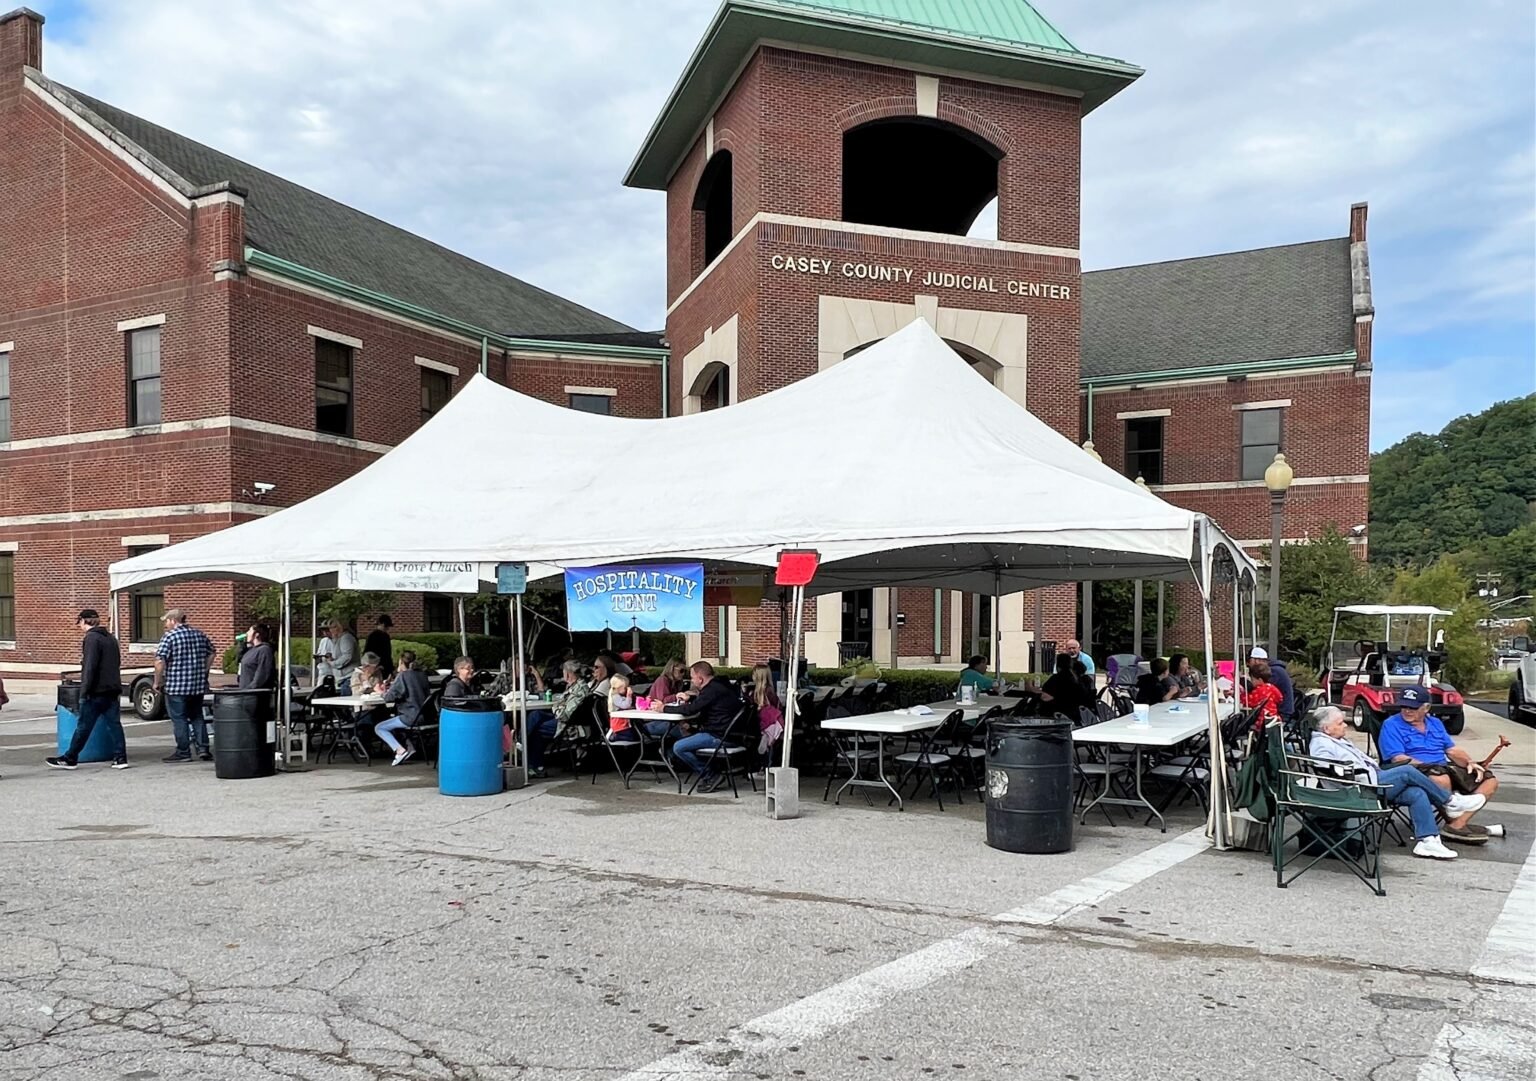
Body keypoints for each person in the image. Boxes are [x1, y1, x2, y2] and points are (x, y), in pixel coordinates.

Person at [1309, 706, 1481, 861]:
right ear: (1327, 729)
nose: (1345, 725)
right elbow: (1329, 770)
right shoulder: (1320, 744)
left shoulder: (1336, 739)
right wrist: (1356, 772)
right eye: (1340, 723)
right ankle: (1450, 802)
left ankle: (1428, 841)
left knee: (1416, 793)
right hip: (1358, 788)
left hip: (1373, 779)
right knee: (1407, 771)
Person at [1378, 685, 1499, 845]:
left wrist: (1470, 762)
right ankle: (1454, 815)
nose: (1407, 710)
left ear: (1426, 707)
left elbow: (1451, 750)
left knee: (1488, 780)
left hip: (1444, 767)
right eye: (1404, 706)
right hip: (1416, 768)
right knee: (1442, 779)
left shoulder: (1435, 723)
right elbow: (1397, 758)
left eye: (1413, 707)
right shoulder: (1391, 724)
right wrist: (1427, 767)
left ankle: (1457, 824)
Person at [46, 610, 129, 771]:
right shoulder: (111, 638)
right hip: (112, 688)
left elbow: (90, 667)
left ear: (84, 621)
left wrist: (84, 691)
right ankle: (120, 757)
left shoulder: (91, 638)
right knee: (114, 725)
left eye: (80, 623)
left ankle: (70, 758)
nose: (80, 626)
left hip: (95, 690)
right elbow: (117, 662)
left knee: (83, 726)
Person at [154, 608, 215, 763]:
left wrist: (157, 681)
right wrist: (205, 670)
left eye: (167, 621)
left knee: (179, 719)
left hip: (176, 686)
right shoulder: (199, 634)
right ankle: (203, 749)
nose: (166, 625)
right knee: (197, 716)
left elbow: (160, 660)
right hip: (197, 685)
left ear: (173, 620)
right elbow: (212, 652)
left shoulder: (170, 637)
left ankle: (183, 751)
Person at [670, 661, 740, 792]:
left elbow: (691, 710)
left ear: (700, 679)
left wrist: (664, 708)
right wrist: (690, 700)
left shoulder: (710, 691)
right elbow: (702, 706)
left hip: (720, 737)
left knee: (678, 747)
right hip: (734, 735)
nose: (691, 680)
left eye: (692, 677)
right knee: (688, 735)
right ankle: (711, 771)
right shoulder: (721, 686)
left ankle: (711, 774)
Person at [377, 651, 430, 765]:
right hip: (426, 715)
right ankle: (410, 748)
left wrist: (381, 691)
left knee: (380, 727)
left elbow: (389, 698)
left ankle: (399, 750)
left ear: (401, 662)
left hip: (410, 716)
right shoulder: (422, 674)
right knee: (395, 723)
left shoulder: (403, 676)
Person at [749, 663, 785, 778]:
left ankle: (763, 768)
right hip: (769, 724)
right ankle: (765, 768)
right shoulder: (770, 691)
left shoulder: (758, 693)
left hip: (765, 724)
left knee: (764, 746)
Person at [1249, 646, 1294, 720]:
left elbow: (1261, 692)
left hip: (1281, 712)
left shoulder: (1274, 672)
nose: (1248, 664)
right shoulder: (1276, 669)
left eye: (1249, 661)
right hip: (1280, 709)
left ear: (1256, 661)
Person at [1040, 653, 1089, 719]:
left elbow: (1045, 697)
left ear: (1058, 665)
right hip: (1078, 713)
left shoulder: (1057, 678)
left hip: (1059, 714)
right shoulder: (1078, 679)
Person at [1241, 659, 1283, 728]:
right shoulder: (1272, 687)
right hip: (1273, 717)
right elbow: (1280, 698)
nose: (1251, 681)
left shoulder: (1259, 690)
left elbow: (1248, 701)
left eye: (1253, 679)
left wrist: (1242, 694)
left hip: (1262, 720)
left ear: (1260, 680)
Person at [237, 624, 277, 690]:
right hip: (244, 692)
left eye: (249, 631)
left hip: (254, 694)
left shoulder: (264, 650)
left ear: (256, 634)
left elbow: (262, 674)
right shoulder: (251, 650)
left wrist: (251, 688)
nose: (247, 633)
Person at [328, 620, 359, 695]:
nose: (331, 630)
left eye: (334, 627)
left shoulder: (346, 638)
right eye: (330, 628)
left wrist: (333, 663)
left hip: (348, 676)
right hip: (342, 677)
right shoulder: (337, 639)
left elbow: (347, 656)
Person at [312, 624, 337, 690]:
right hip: (323, 671)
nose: (325, 633)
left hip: (334, 672)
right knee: (319, 690)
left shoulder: (338, 640)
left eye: (327, 631)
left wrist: (331, 658)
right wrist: (318, 658)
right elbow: (320, 653)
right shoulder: (323, 641)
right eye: (324, 631)